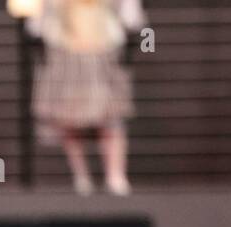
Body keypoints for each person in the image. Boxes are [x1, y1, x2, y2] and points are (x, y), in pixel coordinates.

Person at [28, 0, 146, 195]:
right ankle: (81, 177)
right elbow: (37, 15)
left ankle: (116, 176)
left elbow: (130, 13)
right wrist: (37, 27)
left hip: (105, 49)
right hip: (64, 49)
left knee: (111, 116)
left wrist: (130, 23)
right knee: (67, 116)